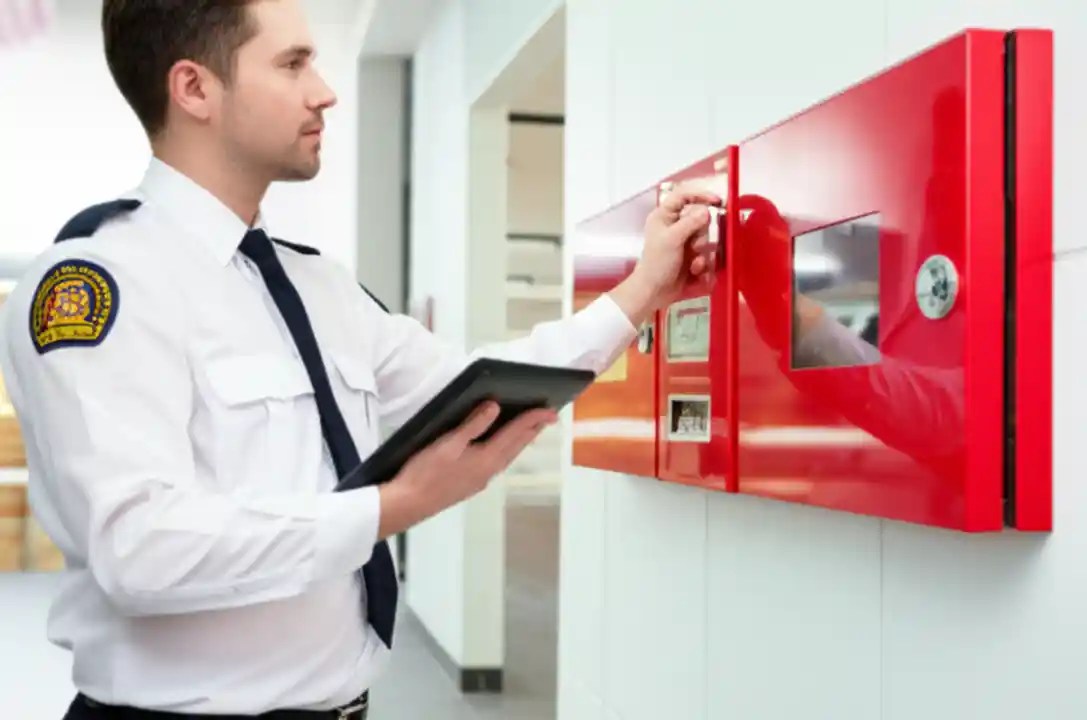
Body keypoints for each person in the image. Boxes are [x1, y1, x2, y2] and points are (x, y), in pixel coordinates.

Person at [0, 1, 719, 717]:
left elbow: (473, 381)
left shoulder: (319, 289)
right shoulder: (101, 283)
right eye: (292, 63)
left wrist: (643, 288)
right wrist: (395, 506)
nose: (325, 90)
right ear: (194, 90)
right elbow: (140, 549)